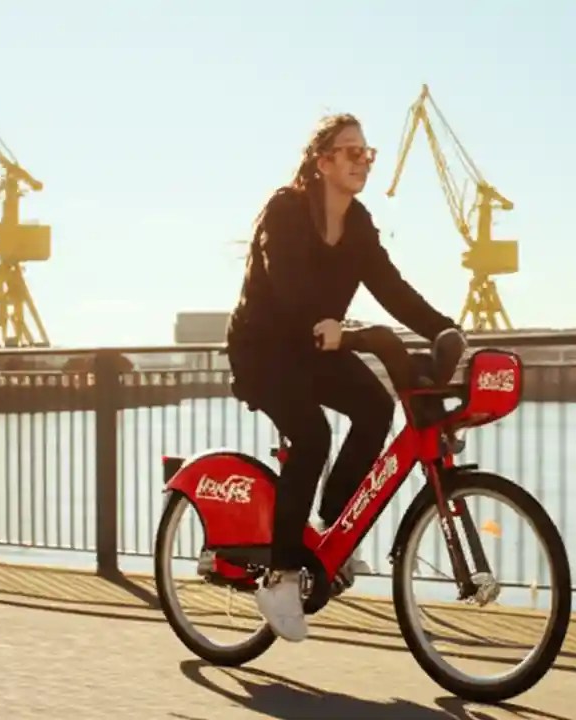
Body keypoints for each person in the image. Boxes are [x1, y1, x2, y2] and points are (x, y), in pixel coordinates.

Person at [225, 113, 462, 642]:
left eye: (367, 153)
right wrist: (342, 330)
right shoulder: (286, 211)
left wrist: (444, 328)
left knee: (376, 408)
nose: (363, 162)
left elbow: (390, 286)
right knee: (312, 436)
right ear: (323, 160)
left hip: (317, 346)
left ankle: (332, 526)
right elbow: (288, 293)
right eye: (351, 152)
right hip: (264, 351)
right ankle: (282, 575)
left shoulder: (358, 223)